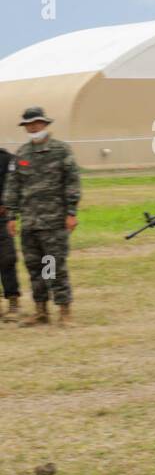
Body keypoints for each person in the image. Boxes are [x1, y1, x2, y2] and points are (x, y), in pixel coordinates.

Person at [1, 107, 80, 327]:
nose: (33, 127)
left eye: (36, 123)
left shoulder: (61, 151)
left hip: (54, 223)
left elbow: (72, 183)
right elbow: (13, 186)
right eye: (29, 124)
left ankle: (64, 311)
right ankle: (41, 310)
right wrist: (12, 216)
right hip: (30, 224)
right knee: (35, 268)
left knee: (54, 266)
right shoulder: (22, 154)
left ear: (45, 124)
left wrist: (71, 212)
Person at [0, 148, 20, 321]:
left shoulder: (7, 159)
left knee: (7, 258)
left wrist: (8, 206)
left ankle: (13, 301)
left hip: (2, 219)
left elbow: (15, 184)